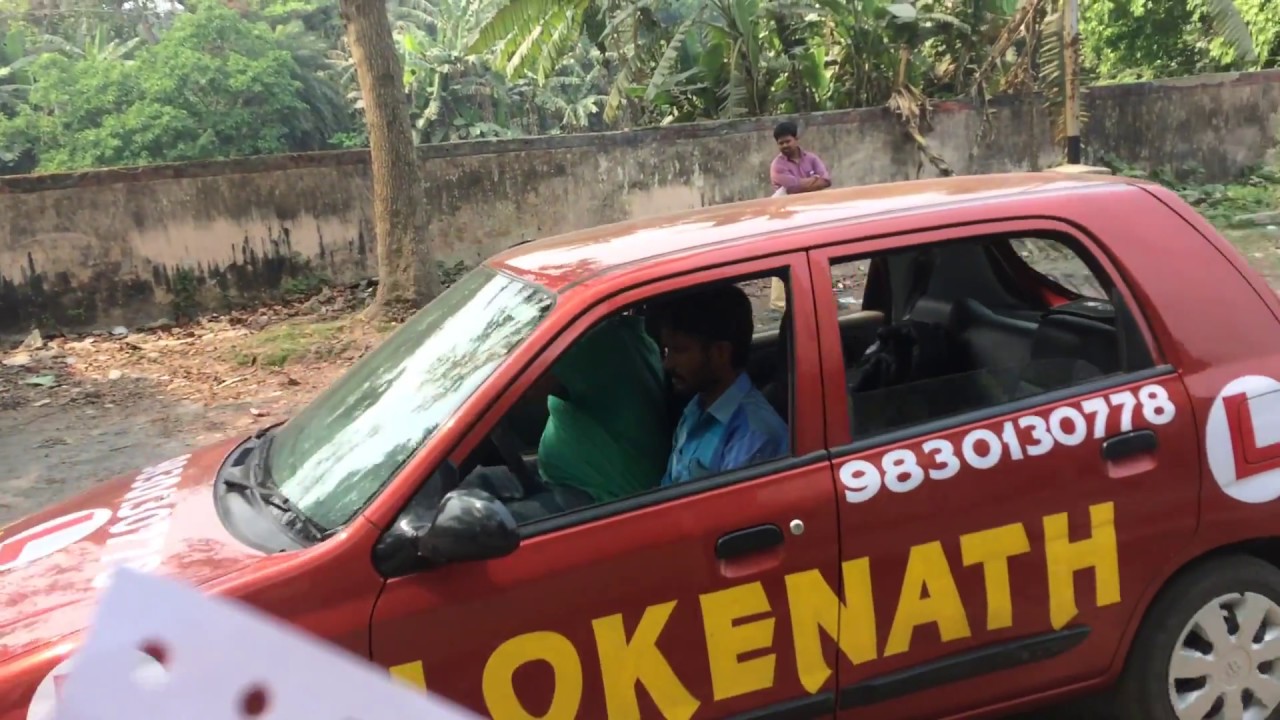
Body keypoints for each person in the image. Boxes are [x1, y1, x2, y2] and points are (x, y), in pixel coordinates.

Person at [462, 313, 671, 521]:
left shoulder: (593, 342)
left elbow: (521, 386)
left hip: (600, 495)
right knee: (474, 484)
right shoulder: (621, 334)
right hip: (567, 476)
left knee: (476, 526)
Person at [658, 284, 790, 486]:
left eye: (680, 350)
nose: (668, 364)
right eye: (668, 351)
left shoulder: (753, 436)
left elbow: (724, 514)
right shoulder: (695, 409)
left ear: (720, 353)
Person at [768, 120, 831, 310]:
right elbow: (792, 187)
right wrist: (814, 181)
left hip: (811, 213)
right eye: (780, 143)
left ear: (796, 139)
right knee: (786, 256)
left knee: (818, 255)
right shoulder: (777, 166)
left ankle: (818, 297)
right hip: (787, 216)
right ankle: (778, 304)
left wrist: (801, 184)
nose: (785, 146)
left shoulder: (811, 158)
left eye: (787, 141)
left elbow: (827, 180)